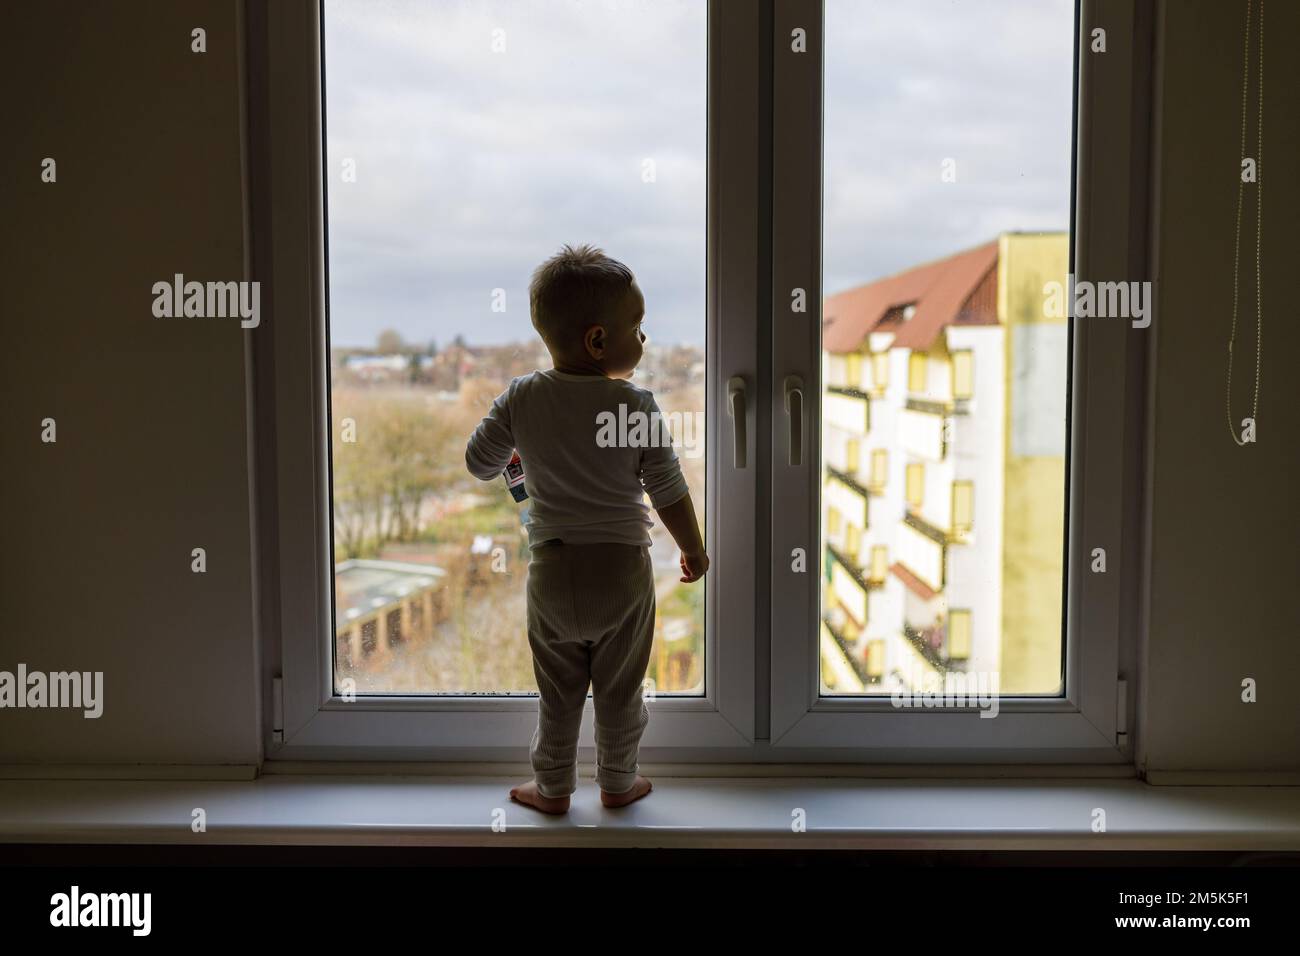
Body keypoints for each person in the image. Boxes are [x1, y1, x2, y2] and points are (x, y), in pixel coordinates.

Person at [465, 243, 708, 814]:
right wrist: (693, 549)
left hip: (552, 572)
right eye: (637, 326)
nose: (644, 339)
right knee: (621, 691)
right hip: (622, 572)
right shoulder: (635, 405)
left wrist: (519, 443)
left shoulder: (522, 397)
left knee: (559, 693)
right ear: (599, 340)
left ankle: (551, 789)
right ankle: (618, 782)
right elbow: (667, 488)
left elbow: (480, 461)